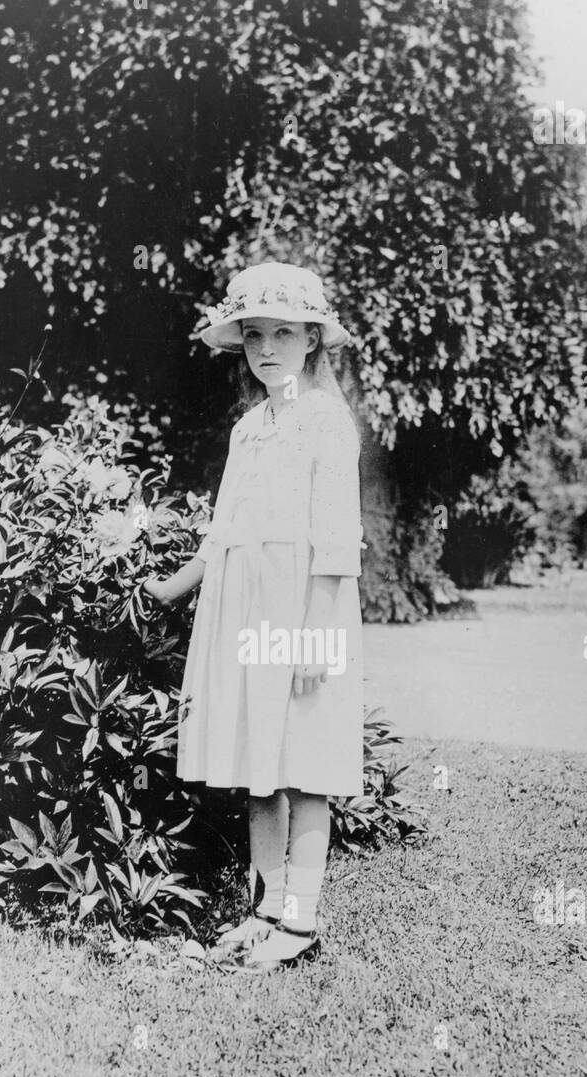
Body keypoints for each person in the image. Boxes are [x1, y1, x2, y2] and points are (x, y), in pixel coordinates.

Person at [143, 262, 363, 969]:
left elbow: (334, 538)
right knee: (259, 765)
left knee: (305, 762)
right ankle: (265, 911)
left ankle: (300, 925)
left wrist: (316, 635)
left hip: (302, 605)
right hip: (245, 602)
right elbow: (224, 528)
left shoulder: (326, 421)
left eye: (284, 334)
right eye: (255, 335)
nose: (268, 349)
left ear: (311, 342)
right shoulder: (249, 429)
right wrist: (169, 589)